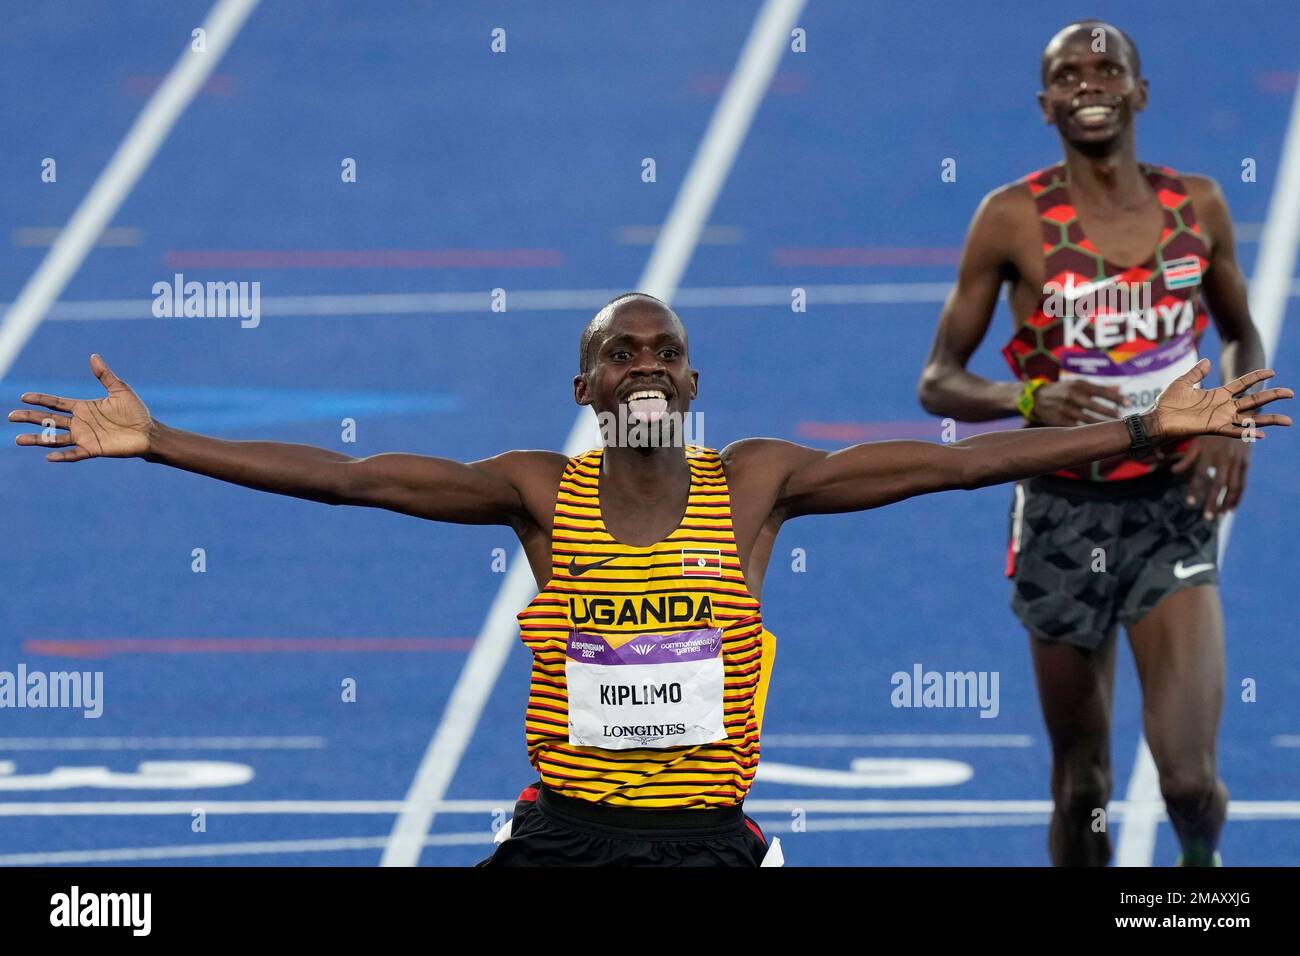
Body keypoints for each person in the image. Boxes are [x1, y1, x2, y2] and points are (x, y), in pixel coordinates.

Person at [9, 293, 1289, 866]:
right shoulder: (529, 490)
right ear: (583, 388)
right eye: (617, 351)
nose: (641, 362)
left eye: (664, 351)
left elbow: (960, 462)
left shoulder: (757, 483)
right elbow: (350, 479)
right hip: (562, 836)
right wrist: (161, 439)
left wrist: (1136, 430)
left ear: (689, 386)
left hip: (707, 847)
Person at [916, 20, 1269, 865]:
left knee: (1188, 782)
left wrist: (1232, 412)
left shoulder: (1199, 205)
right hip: (1062, 514)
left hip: (1169, 508)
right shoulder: (1010, 219)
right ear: (1046, 105)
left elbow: (1243, 336)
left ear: (1140, 92)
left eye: (1106, 69)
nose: (1089, 83)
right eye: (1067, 74)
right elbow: (938, 379)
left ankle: (1197, 875)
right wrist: (1027, 394)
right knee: (1083, 790)